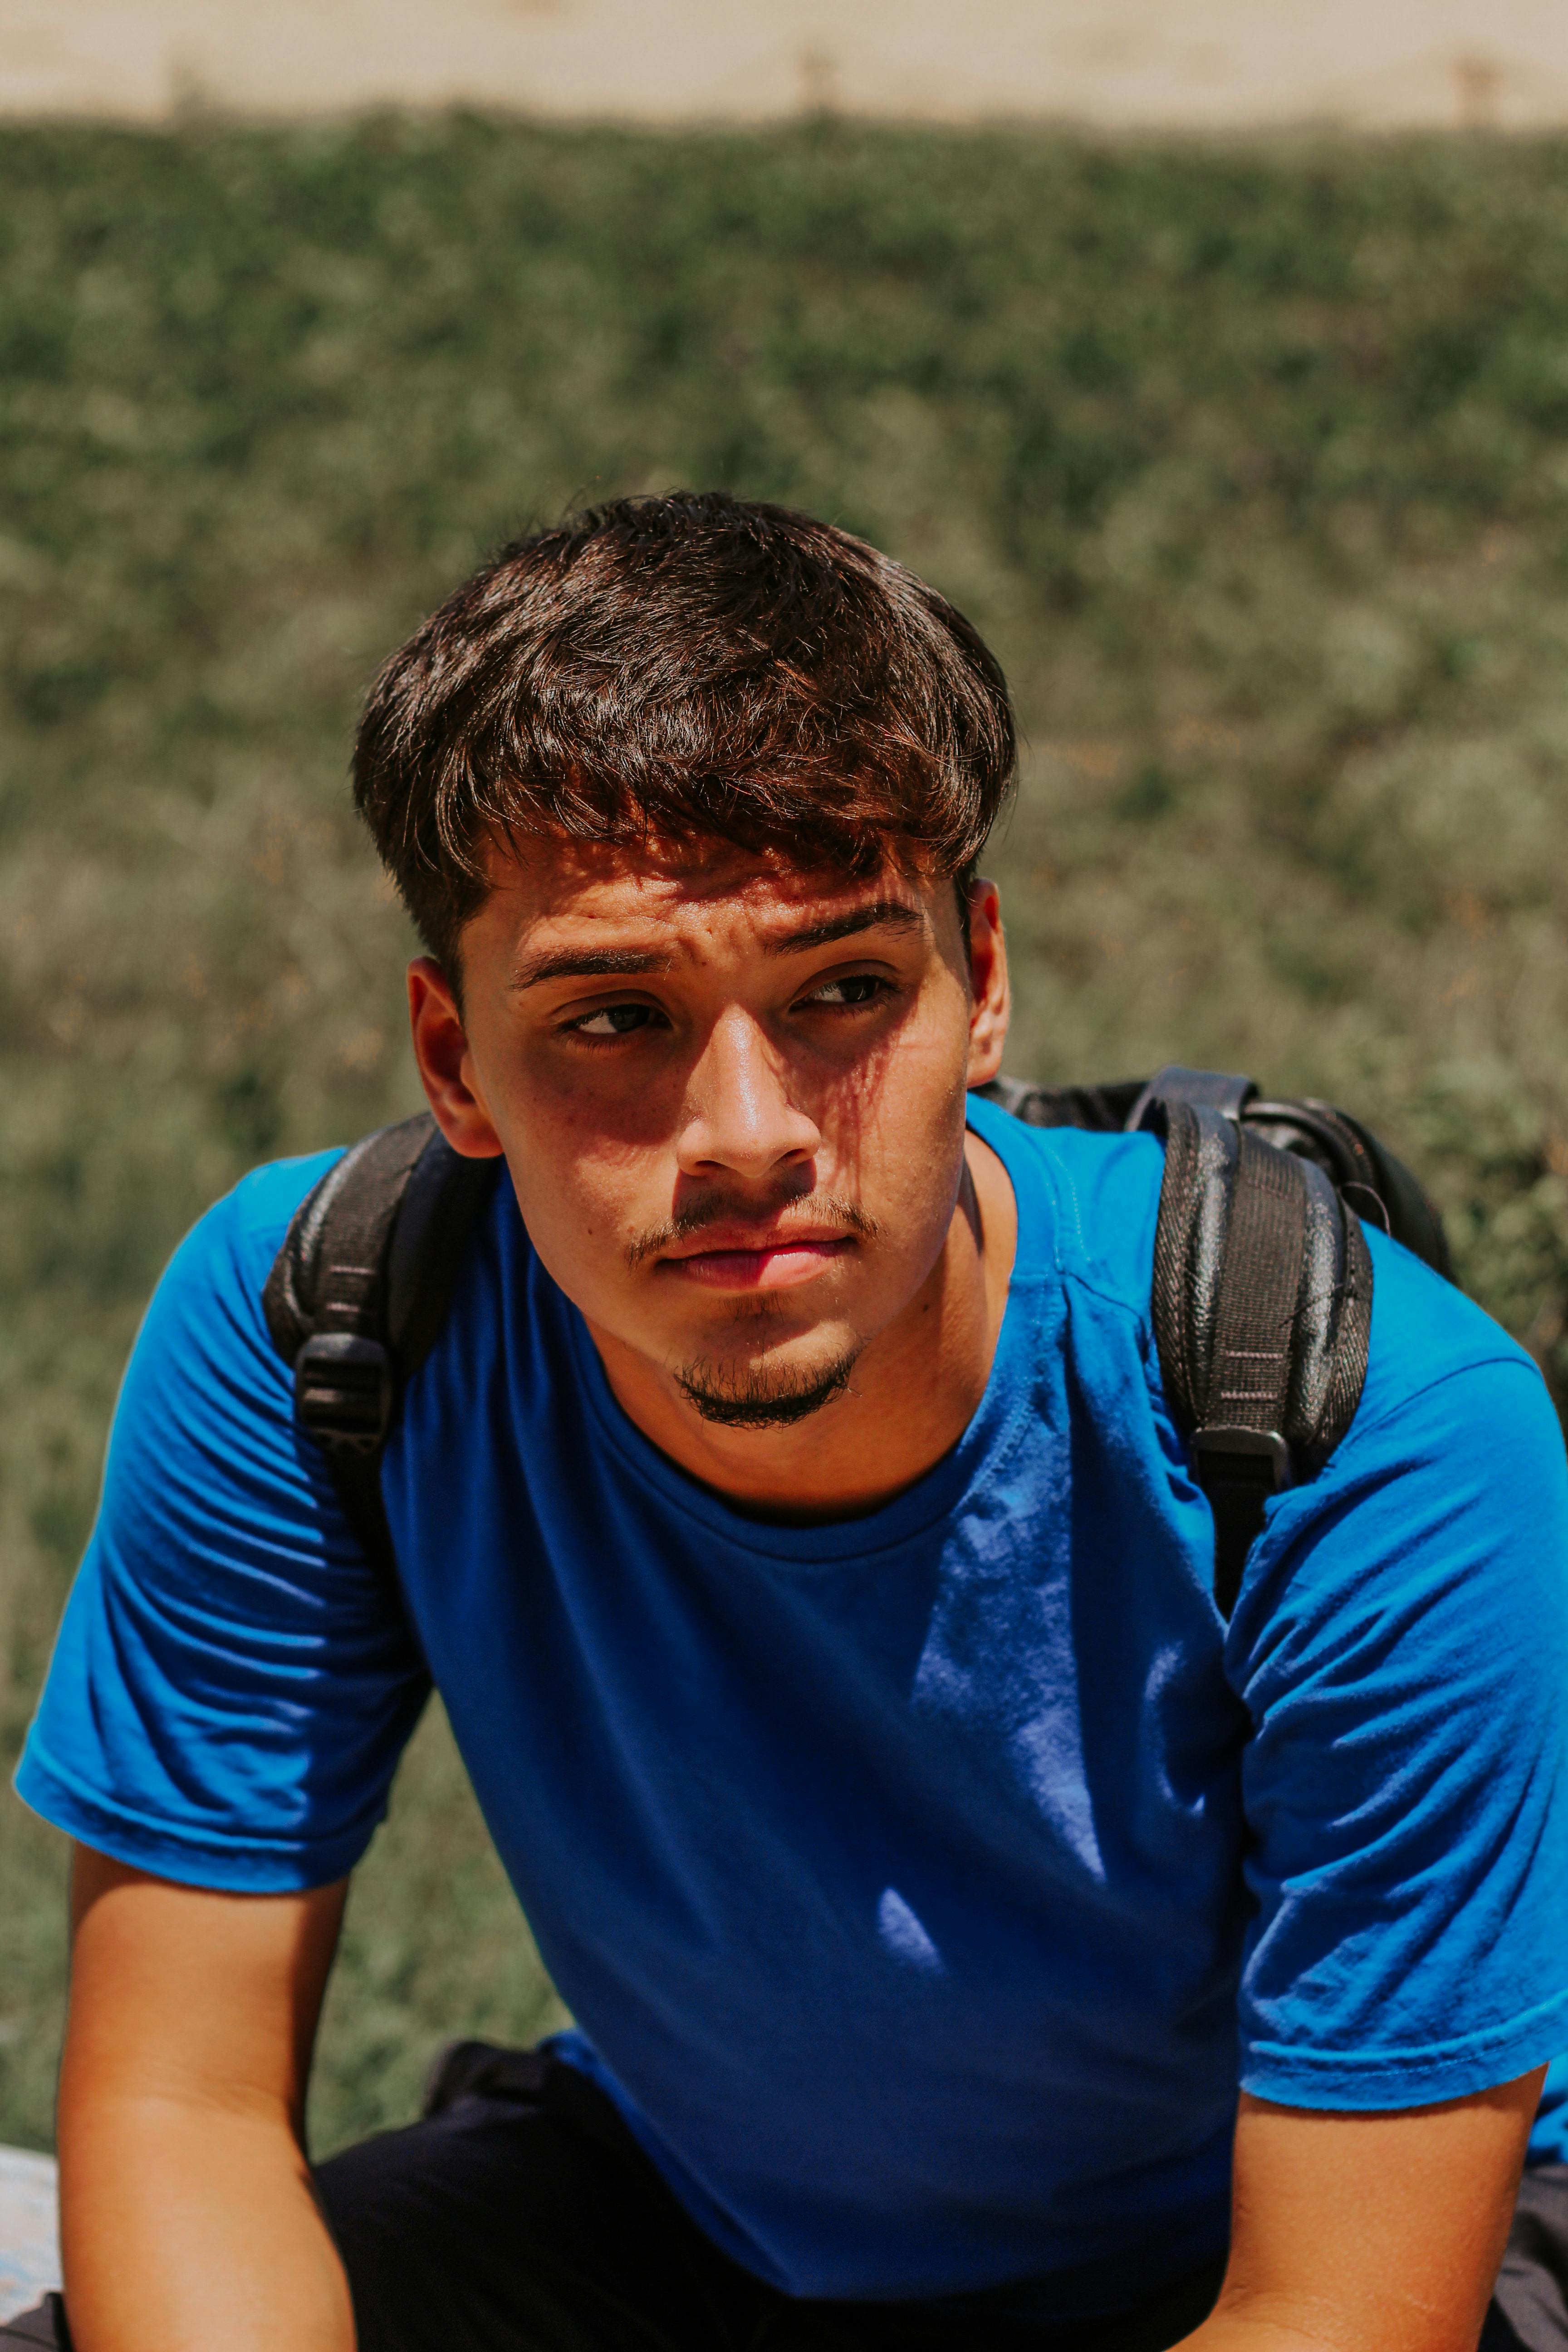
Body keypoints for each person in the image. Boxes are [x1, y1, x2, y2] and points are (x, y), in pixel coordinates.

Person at [12, 491, 1568, 2352]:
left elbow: (1340, 2311)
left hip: (1286, 2231)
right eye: (616, 1018)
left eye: (843, 990)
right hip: (703, 2220)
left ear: (982, 986)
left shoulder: (1358, 1422)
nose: (747, 1134)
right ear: (453, 1059)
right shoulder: (324, 1324)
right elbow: (182, 2105)